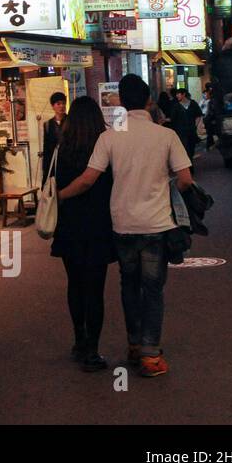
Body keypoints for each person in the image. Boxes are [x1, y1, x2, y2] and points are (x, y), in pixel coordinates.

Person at [57, 75, 194, 378]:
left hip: (122, 226)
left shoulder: (110, 137)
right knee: (153, 289)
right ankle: (150, 353)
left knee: (129, 286)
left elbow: (87, 180)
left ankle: (133, 345)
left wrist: (58, 196)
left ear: (120, 100)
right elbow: (186, 180)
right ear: (149, 102)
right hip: (157, 224)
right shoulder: (166, 135)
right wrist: (167, 189)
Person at [50, 97, 115, 372]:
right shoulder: (106, 148)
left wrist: (62, 198)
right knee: (95, 289)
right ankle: (92, 349)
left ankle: (79, 341)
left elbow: (49, 183)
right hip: (99, 225)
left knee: (75, 284)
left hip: (69, 225)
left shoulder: (61, 150)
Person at [42, 92, 68, 185]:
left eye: (63, 103)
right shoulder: (47, 125)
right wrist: (45, 171)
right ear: (53, 106)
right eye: (58, 104)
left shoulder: (71, 121)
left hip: (68, 162)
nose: (62, 106)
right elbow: (46, 148)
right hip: (53, 163)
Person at [169, 88, 200, 160]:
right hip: (181, 131)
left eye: (178, 94)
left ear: (183, 94)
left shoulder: (193, 103)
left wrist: (195, 125)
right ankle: (189, 166)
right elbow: (173, 118)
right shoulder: (176, 106)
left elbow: (198, 115)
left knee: (191, 147)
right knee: (185, 148)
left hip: (191, 130)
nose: (177, 96)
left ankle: (190, 162)